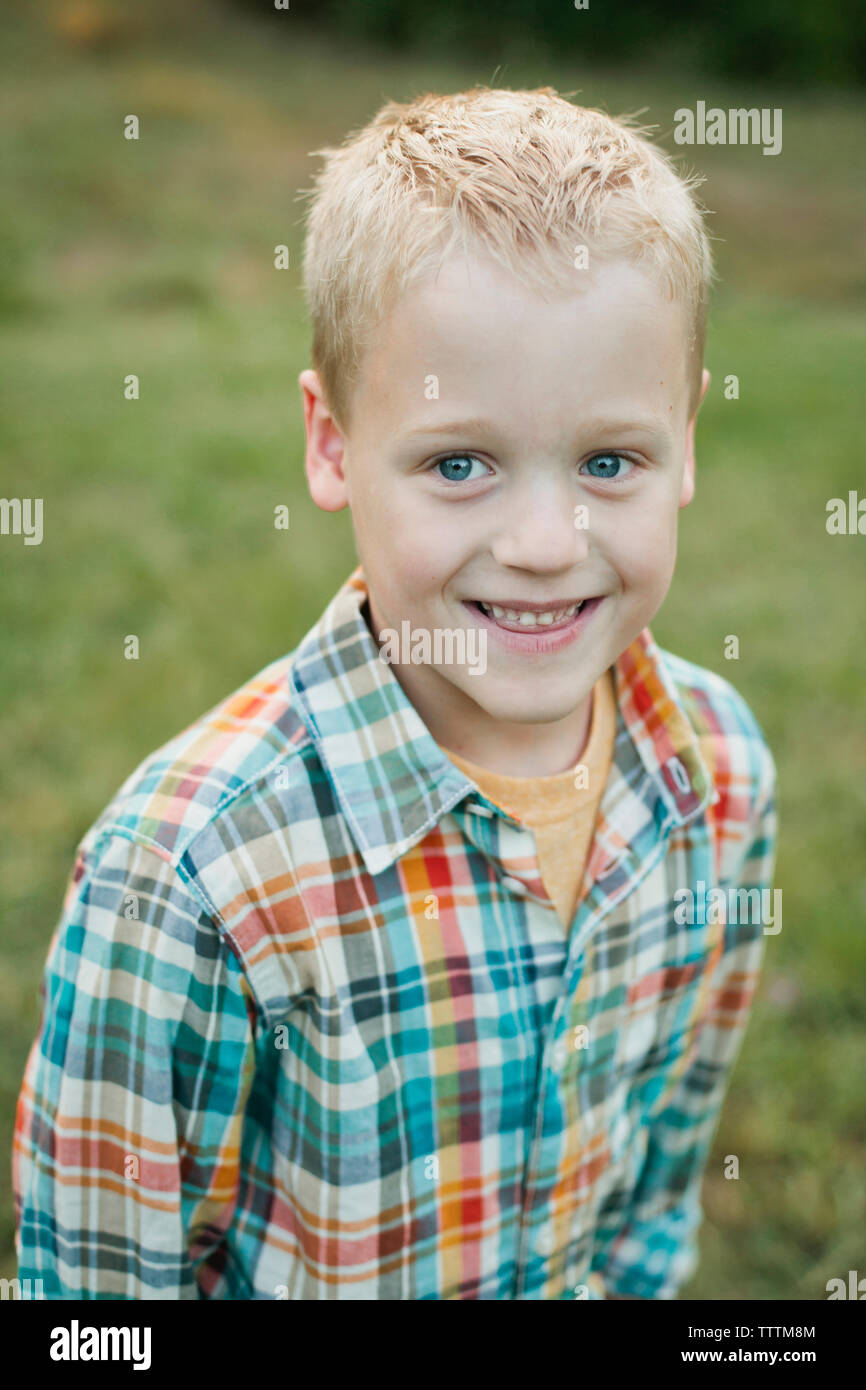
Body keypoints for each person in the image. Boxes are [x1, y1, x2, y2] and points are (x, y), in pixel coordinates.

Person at [13, 86, 777, 1299]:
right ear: (330, 444)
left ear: (684, 440)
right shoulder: (192, 875)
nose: (541, 539)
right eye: (458, 463)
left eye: (606, 460)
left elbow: (660, 1164)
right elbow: (93, 1305)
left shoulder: (718, 776)